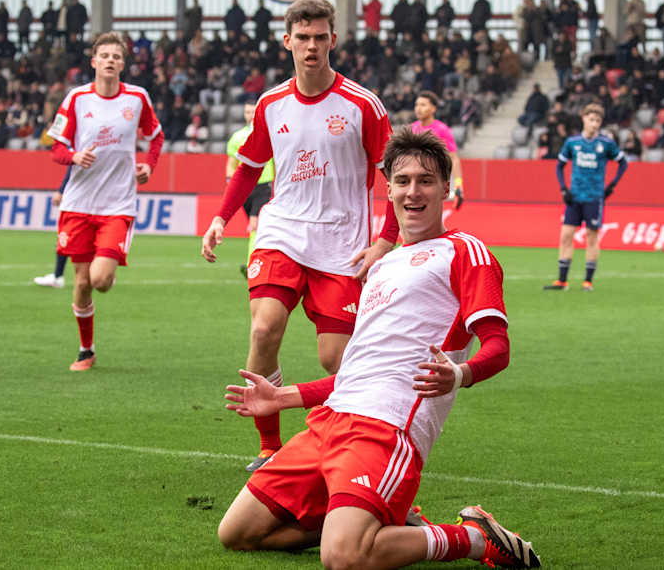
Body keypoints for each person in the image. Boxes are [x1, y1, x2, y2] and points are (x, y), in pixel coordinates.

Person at [217, 127, 541, 570]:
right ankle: (384, 522)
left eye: (426, 181)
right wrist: (283, 396)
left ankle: (471, 538)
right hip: (328, 422)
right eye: (403, 180)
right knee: (236, 533)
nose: (413, 191)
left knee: (342, 557)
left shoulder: (465, 252)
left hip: (386, 428)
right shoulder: (382, 265)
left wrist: (459, 374)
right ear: (387, 188)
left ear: (446, 187)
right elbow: (355, 374)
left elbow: (498, 347)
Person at [199, 0, 399, 472]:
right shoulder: (271, 104)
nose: (312, 46)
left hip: (343, 246)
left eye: (320, 37)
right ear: (287, 41)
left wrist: (385, 242)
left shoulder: (363, 105)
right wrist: (220, 218)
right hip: (282, 231)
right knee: (264, 327)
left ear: (334, 40)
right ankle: (269, 447)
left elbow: (395, 175)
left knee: (337, 362)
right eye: (302, 37)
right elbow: (248, 169)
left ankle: (336, 438)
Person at [45, 31, 164, 371]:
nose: (111, 60)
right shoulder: (77, 99)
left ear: (123, 64)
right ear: (94, 62)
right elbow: (56, 149)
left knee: (100, 281)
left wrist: (148, 166)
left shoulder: (137, 98)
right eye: (105, 55)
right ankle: (87, 350)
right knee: (82, 283)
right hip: (78, 203)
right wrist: (74, 156)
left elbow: (156, 138)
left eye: (116, 56)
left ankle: (109, 268)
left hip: (118, 205)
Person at [544, 104, 628, 292]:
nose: (594, 124)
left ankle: (587, 281)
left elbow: (623, 163)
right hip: (574, 197)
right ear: (584, 119)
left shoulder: (606, 144)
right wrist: (563, 189)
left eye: (598, 121)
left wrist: (612, 185)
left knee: (592, 237)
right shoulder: (572, 143)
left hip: (594, 197)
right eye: (591, 119)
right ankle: (562, 281)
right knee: (566, 235)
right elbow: (559, 166)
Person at [225, 101, 275, 275]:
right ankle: (258, 263)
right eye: (247, 111)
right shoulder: (237, 137)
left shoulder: (267, 133)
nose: (250, 115)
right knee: (255, 227)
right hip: (247, 188)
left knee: (255, 225)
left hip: (264, 185)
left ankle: (251, 265)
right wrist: (231, 182)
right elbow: (231, 164)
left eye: (253, 111)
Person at [410, 90, 464, 210]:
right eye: (417, 105)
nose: (418, 108)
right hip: (413, 185)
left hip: (432, 185)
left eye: (423, 105)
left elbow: (454, 159)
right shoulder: (411, 129)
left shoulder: (442, 130)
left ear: (433, 109)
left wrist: (459, 186)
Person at [34, 166, 74, 288]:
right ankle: (58, 276)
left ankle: (58, 277)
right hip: (89, 198)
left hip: (79, 201)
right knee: (68, 236)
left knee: (66, 236)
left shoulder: (83, 149)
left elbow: (73, 167)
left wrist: (61, 191)